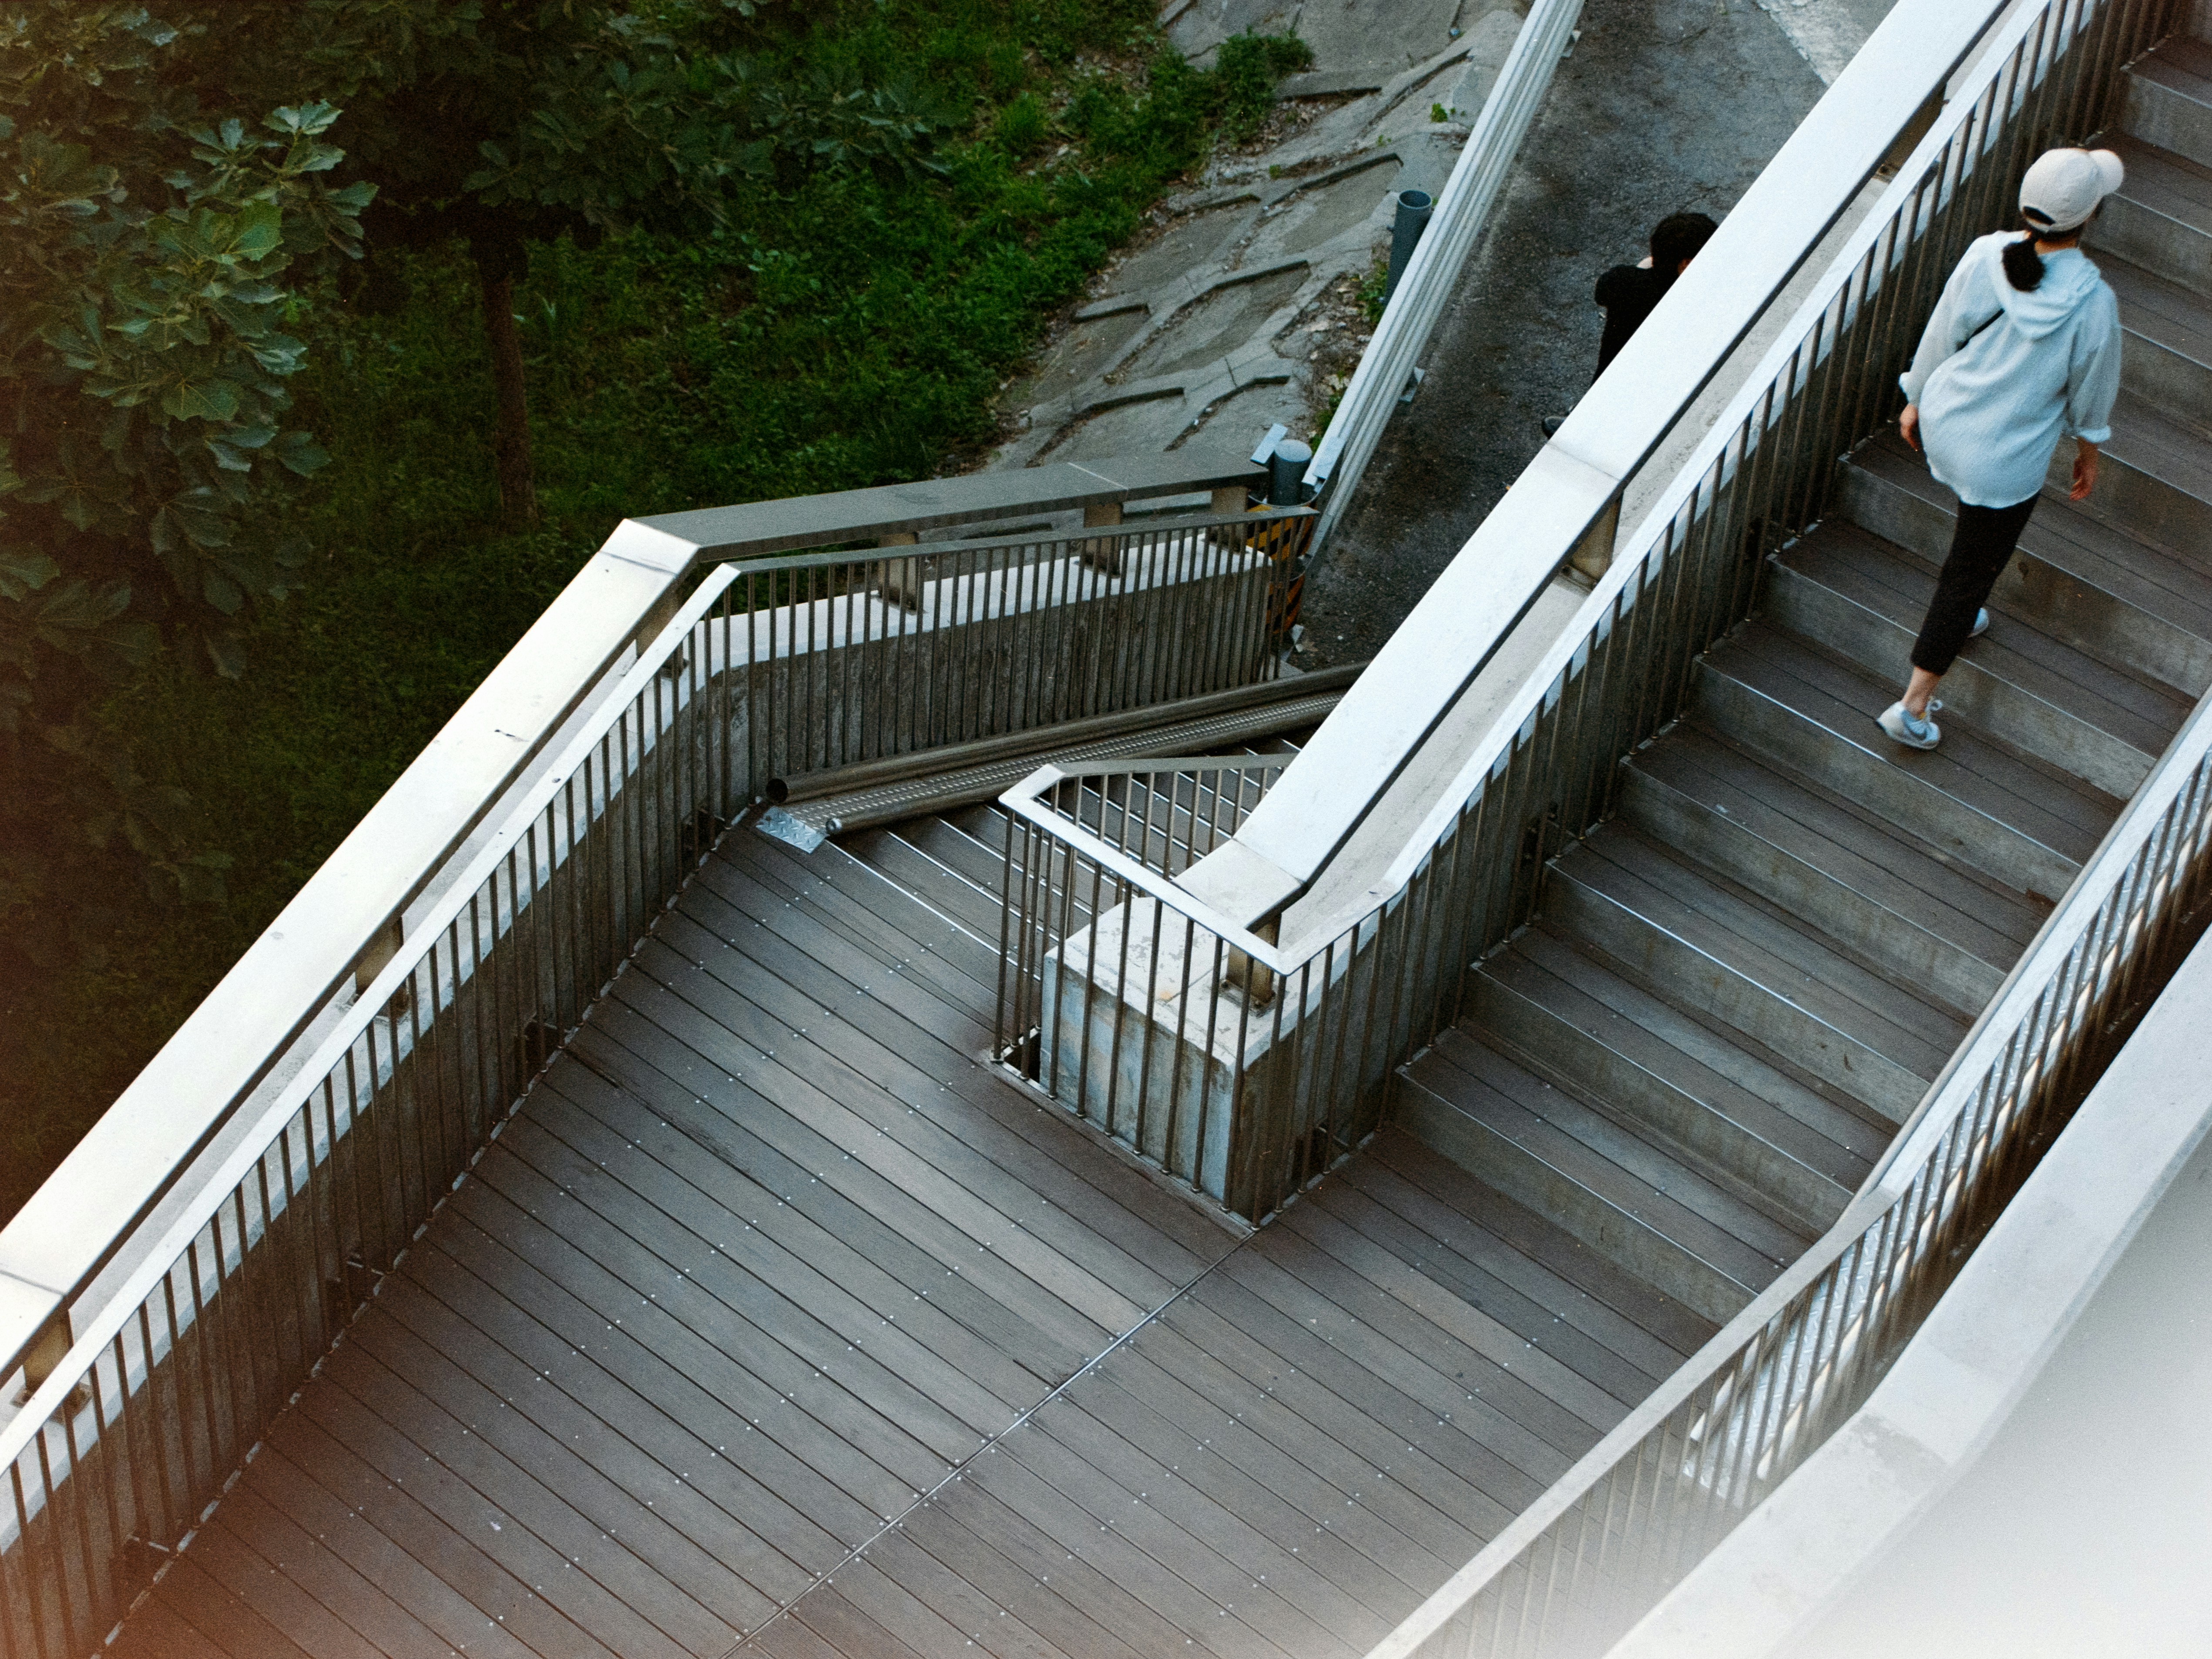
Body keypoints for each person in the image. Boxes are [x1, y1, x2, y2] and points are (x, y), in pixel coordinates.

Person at [1878, 147, 2124, 750]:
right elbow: (2091, 386)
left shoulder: (1984, 254)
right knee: (1969, 570)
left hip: (1947, 419)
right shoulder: (2091, 303)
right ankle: (1911, 705)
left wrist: (1913, 396)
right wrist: (2088, 449)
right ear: (2089, 217)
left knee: (1969, 547)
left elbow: (1942, 330)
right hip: (2002, 458)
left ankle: (1964, 615)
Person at [1542, 212, 1718, 437]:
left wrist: (1646, 268)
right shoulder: (1702, 306)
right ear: (1686, 265)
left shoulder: (1625, 283)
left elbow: (1603, 289)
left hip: (1612, 393)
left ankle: (1582, 421)